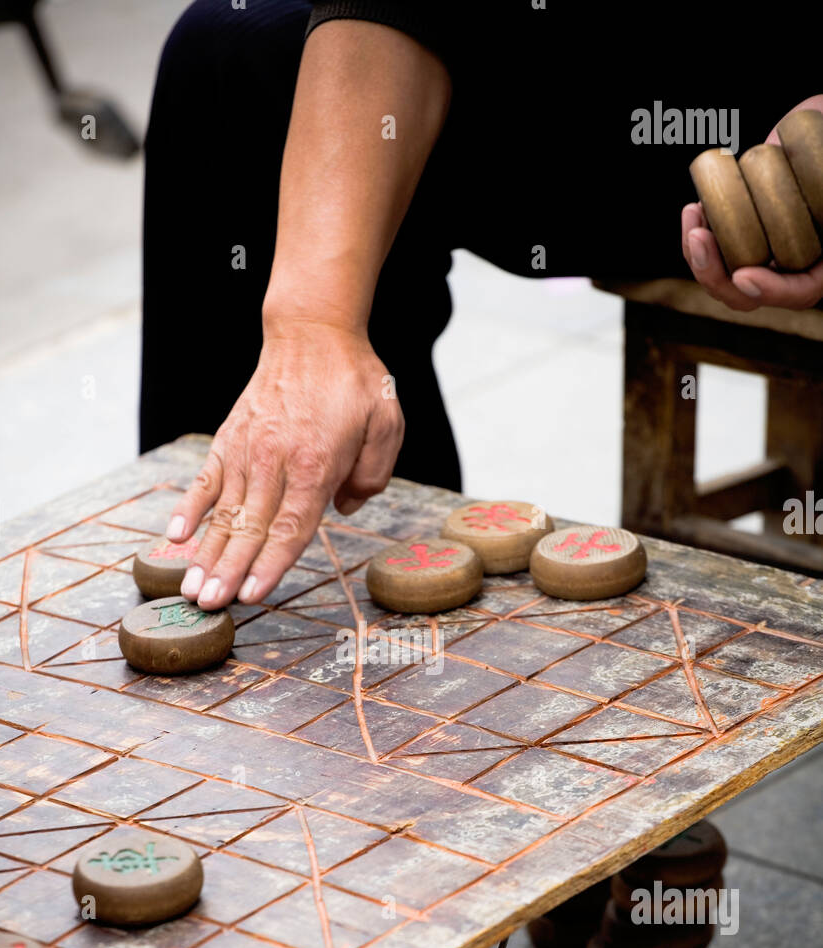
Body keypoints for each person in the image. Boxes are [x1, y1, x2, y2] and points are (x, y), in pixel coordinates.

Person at [140, 0, 823, 611]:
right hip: (622, 54)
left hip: (769, 111)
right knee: (235, 53)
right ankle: (309, 586)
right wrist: (311, 324)